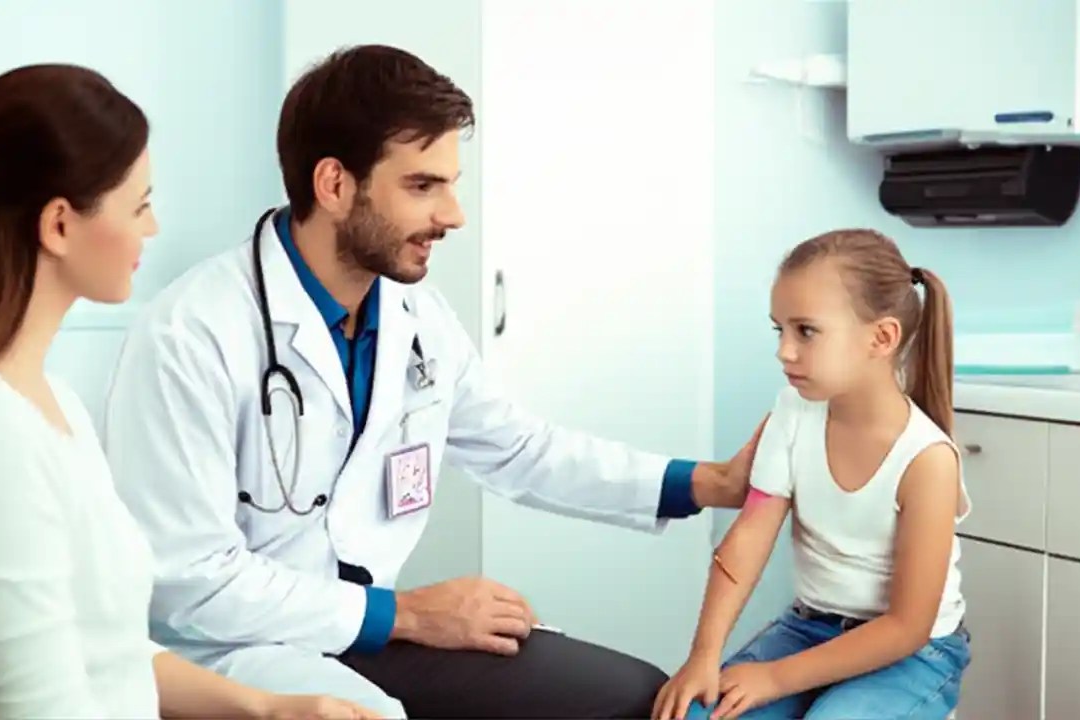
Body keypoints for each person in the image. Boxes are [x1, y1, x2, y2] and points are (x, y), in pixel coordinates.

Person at [101, 43, 766, 720]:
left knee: (632, 700)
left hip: (366, 633)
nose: (453, 215)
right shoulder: (192, 332)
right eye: (423, 186)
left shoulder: (414, 312)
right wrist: (409, 614)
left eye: (450, 184)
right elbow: (189, 582)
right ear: (335, 185)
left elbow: (516, 447)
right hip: (228, 651)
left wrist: (705, 484)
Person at [0, 63, 374, 720]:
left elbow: (105, 650)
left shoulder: (45, 404)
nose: (153, 228)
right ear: (59, 224)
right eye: (140, 204)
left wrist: (268, 708)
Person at [653, 229, 972, 720]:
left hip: (915, 655)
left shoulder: (927, 459)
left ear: (881, 338)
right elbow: (748, 539)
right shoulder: (793, 413)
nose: (784, 350)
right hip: (809, 628)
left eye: (805, 330)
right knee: (696, 715)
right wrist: (704, 656)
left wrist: (775, 677)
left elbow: (907, 626)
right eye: (778, 329)